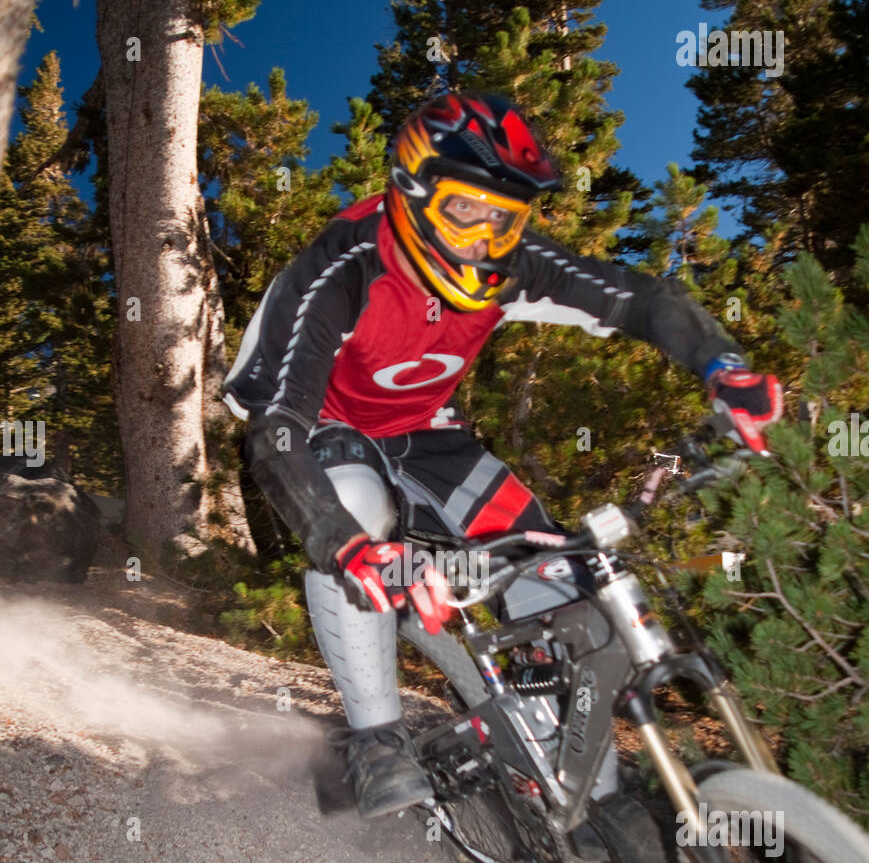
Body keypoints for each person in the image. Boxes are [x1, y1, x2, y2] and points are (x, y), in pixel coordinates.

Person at [223, 91, 782, 823]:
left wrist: (722, 365)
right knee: (355, 511)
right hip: (323, 429)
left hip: (427, 431)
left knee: (559, 573)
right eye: (464, 210)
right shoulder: (341, 269)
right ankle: (375, 740)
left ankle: (583, 788)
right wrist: (348, 545)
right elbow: (276, 427)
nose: (482, 238)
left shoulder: (514, 267)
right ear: (412, 192)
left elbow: (639, 300)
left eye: (504, 218)